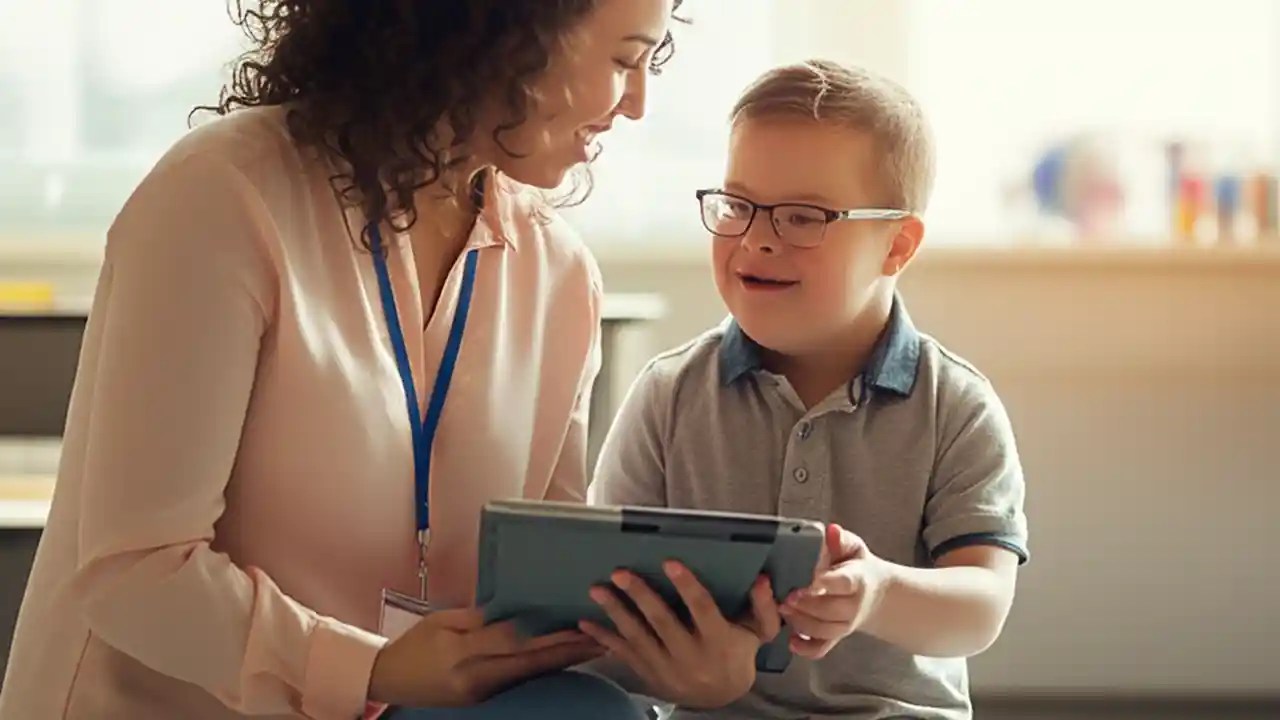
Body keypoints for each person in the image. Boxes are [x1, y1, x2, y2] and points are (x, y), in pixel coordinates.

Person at [0, 1, 684, 718]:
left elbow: (539, 600)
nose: (636, 104)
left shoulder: (559, 273)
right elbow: (134, 572)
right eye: (624, 59)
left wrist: (694, 672)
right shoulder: (223, 195)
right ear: (505, 29)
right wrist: (374, 668)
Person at [583, 59, 1030, 719]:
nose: (757, 240)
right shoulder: (668, 395)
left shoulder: (956, 408)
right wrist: (694, 677)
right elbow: (604, 603)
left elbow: (980, 607)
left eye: (801, 217)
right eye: (738, 206)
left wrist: (878, 594)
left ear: (897, 245)